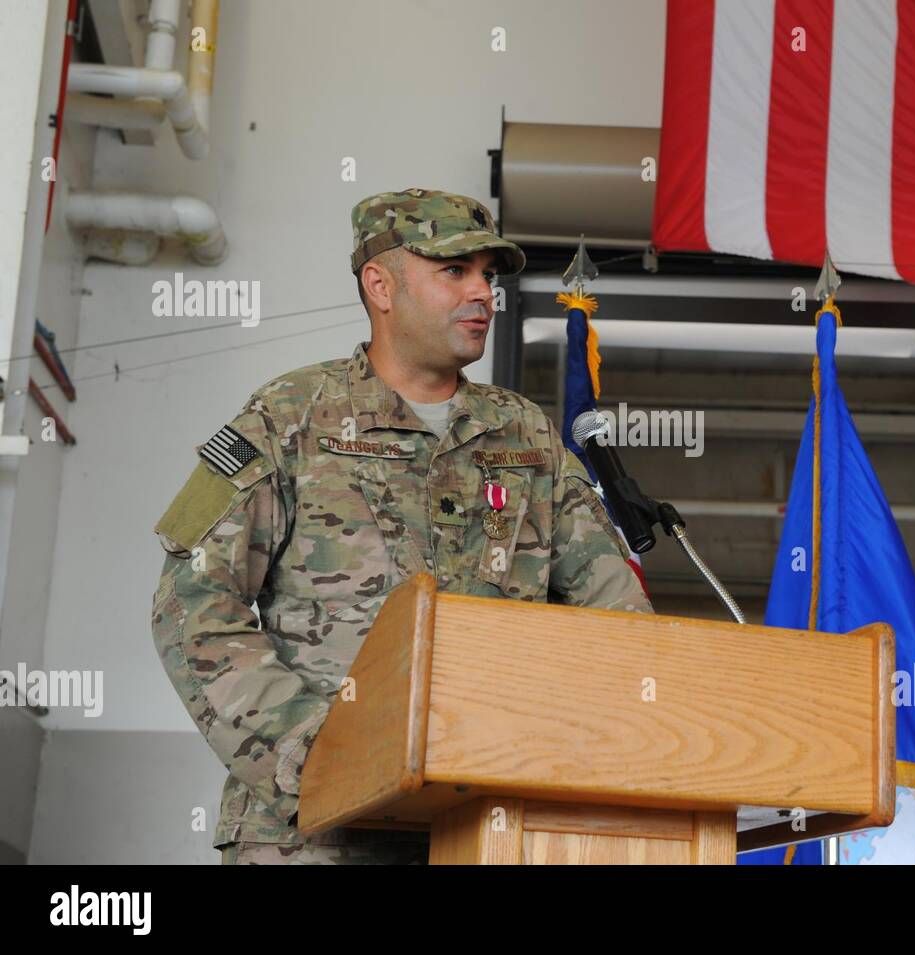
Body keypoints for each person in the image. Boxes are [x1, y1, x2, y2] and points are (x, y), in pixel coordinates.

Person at [151, 188, 653, 865]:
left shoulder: (525, 433)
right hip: (314, 837)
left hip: (487, 827)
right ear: (380, 285)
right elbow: (194, 605)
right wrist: (316, 751)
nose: (484, 292)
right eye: (455, 270)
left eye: (490, 274)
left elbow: (617, 616)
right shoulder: (291, 416)